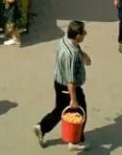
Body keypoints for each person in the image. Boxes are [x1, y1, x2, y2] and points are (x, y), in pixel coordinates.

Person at [34, 20, 91, 151]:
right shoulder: (70, 54)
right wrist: (74, 99)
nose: (85, 34)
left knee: (60, 109)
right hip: (68, 87)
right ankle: (76, 141)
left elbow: (77, 48)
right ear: (77, 36)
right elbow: (70, 80)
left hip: (58, 82)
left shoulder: (65, 39)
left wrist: (84, 56)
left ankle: (42, 127)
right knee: (81, 112)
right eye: (83, 33)